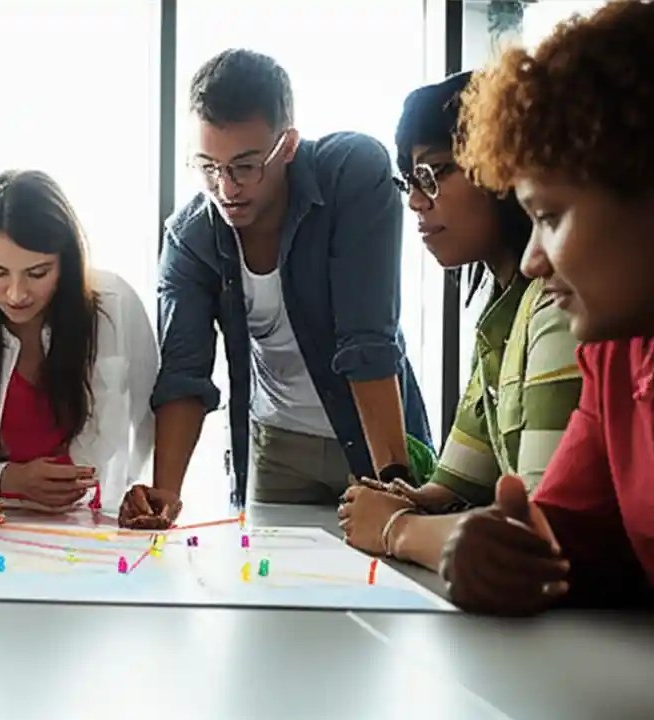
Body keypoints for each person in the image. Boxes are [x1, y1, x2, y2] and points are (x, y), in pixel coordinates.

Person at [121, 49, 433, 528]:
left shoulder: (352, 173)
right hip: (279, 447)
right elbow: (185, 372)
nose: (226, 188)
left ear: (287, 145)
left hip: (375, 436)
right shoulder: (191, 238)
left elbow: (367, 341)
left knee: (389, 584)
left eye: (245, 166)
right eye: (208, 166)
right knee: (271, 588)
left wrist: (393, 483)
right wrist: (166, 494)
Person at [440, 0, 654, 615]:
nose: (534, 260)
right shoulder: (615, 357)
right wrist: (497, 553)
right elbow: (565, 538)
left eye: (551, 217)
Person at [338, 72, 582, 571]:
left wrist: (395, 528)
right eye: (410, 181)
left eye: (434, 174)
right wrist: (397, 503)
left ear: (499, 170)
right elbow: (450, 490)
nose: (414, 202)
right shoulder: (501, 311)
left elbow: (539, 533)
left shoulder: (558, 301)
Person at [0, 170, 158, 531]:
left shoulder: (113, 306)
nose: (16, 293)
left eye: (38, 273)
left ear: (66, 263)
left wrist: (145, 492)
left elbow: (150, 419)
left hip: (99, 529)